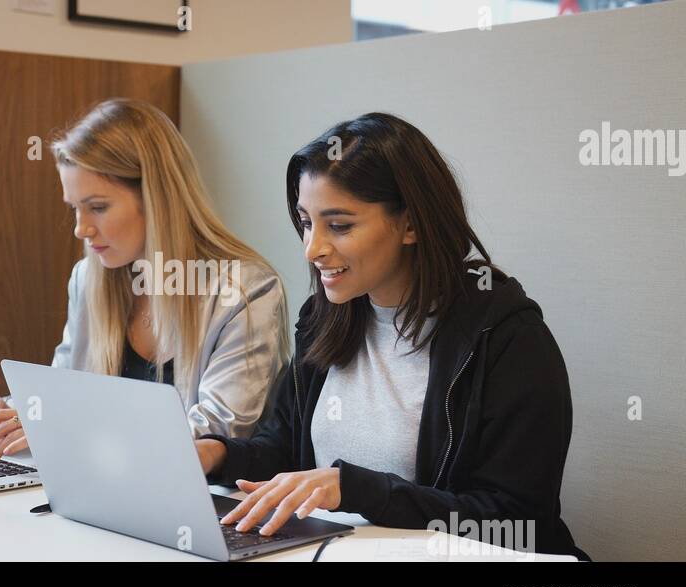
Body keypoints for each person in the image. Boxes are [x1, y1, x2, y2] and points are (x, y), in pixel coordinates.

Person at [195, 112, 588, 560]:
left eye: (339, 225)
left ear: (411, 224)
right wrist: (217, 456)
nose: (312, 248)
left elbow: (518, 520)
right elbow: (284, 450)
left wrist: (357, 490)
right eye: (306, 222)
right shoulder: (325, 317)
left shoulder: (506, 337)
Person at [0, 98, 289, 463]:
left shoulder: (245, 291)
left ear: (157, 198)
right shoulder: (89, 278)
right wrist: (7, 412)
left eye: (97, 207)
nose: (81, 228)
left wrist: (60, 425)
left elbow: (214, 435)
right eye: (75, 208)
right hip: (105, 485)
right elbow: (63, 392)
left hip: (205, 502)